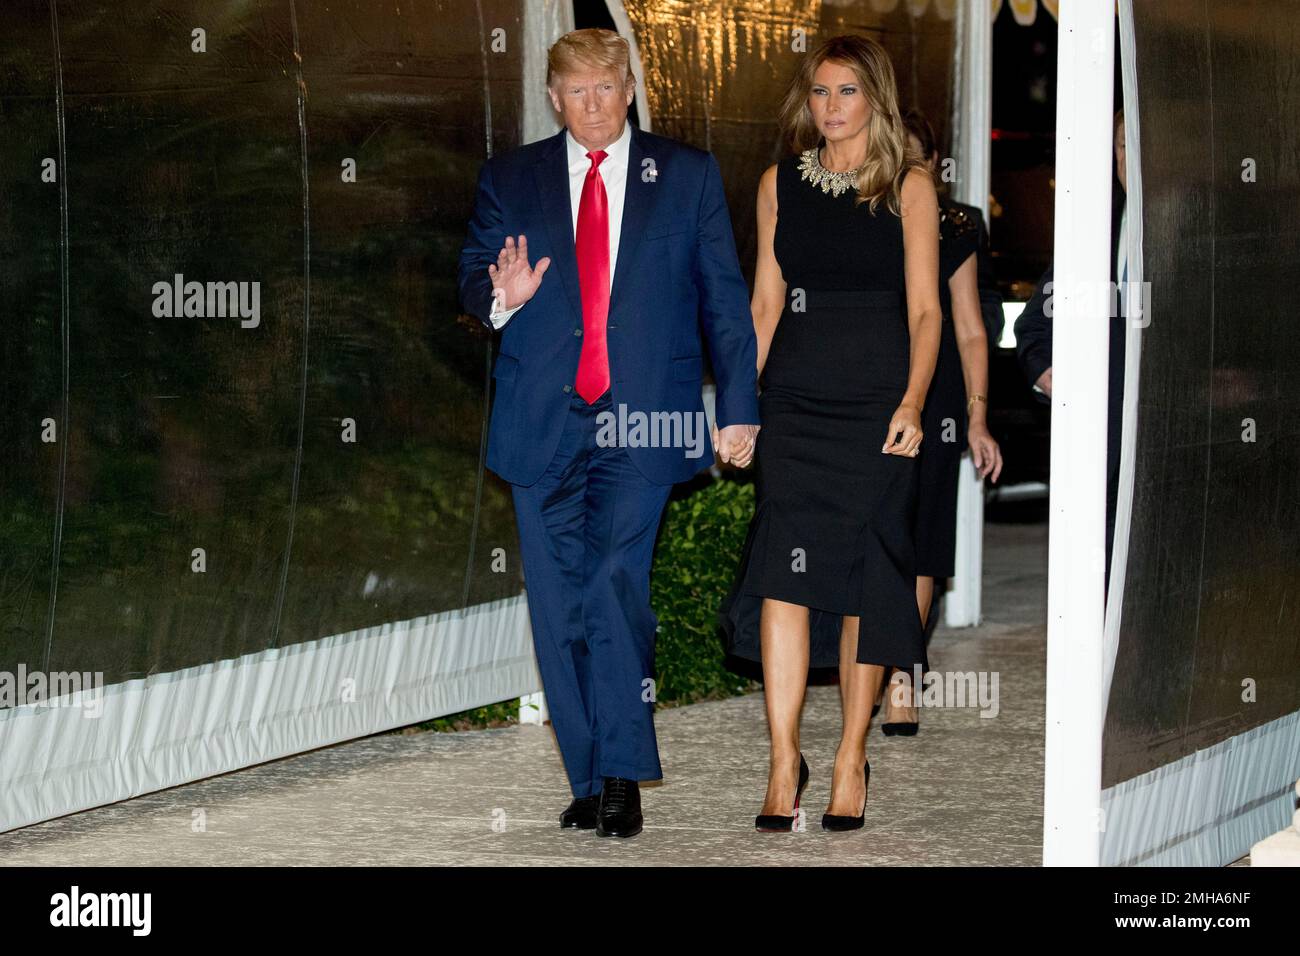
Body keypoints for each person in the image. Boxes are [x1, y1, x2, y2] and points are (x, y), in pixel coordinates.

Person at [457, 28, 760, 839]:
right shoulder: (509, 176)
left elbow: (724, 298)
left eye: (606, 88)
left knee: (613, 583)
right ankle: (588, 775)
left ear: (630, 90)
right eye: (576, 91)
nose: (593, 106)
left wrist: (739, 406)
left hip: (644, 416)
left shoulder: (686, 174)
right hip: (541, 418)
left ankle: (622, 771)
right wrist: (502, 294)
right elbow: (472, 275)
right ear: (554, 98)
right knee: (558, 605)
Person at [719, 34, 941, 832]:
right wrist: (739, 404)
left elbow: (927, 311)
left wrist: (913, 402)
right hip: (796, 404)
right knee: (785, 575)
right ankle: (784, 758)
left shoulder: (909, 186)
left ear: (875, 99)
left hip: (877, 404)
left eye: (847, 91)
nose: (831, 106)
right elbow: (765, 304)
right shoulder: (778, 183)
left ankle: (851, 753)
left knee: (864, 583)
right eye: (819, 91)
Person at [873, 111, 1005, 735]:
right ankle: (861, 669)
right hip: (866, 387)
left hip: (939, 397)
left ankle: (903, 678)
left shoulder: (957, 224)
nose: (905, 170)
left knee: (921, 538)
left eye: (916, 158)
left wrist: (978, 417)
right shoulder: (857, 219)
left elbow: (972, 328)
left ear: (934, 163)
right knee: (872, 534)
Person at [1014, 108, 1127, 591]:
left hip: (1181, 442)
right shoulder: (1093, 231)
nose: (1131, 158)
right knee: (1102, 569)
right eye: (1122, 146)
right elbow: (1034, 329)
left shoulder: (1196, 229)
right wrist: (1047, 375)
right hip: (1105, 442)